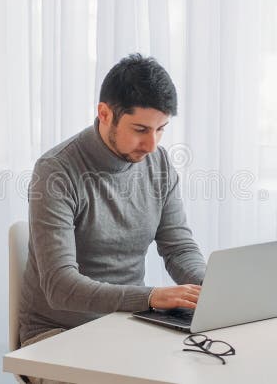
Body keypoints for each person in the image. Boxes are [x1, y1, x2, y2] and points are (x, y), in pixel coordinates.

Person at [18, 53, 207, 362]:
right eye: (140, 129)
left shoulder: (157, 163)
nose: (152, 145)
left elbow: (179, 248)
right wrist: (151, 297)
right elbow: (59, 286)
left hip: (128, 325)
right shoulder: (56, 171)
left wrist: (211, 287)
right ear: (105, 114)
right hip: (58, 335)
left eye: (161, 129)